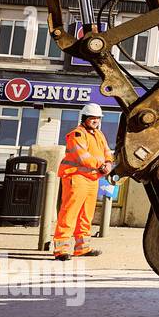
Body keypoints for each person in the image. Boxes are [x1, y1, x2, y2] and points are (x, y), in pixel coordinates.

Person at [54, 102, 112, 260]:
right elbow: (82, 157)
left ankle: (82, 248)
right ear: (85, 118)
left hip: (92, 179)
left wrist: (108, 163)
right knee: (69, 213)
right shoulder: (76, 134)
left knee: (86, 215)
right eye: (92, 118)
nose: (96, 121)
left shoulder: (99, 135)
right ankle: (61, 250)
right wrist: (102, 165)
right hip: (76, 177)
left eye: (98, 118)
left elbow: (107, 152)